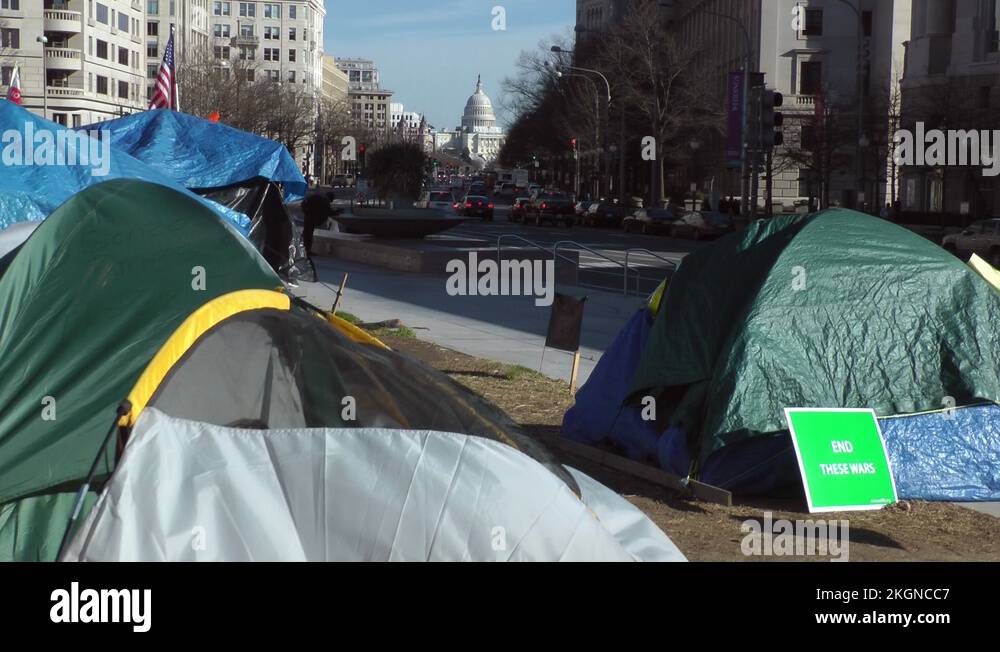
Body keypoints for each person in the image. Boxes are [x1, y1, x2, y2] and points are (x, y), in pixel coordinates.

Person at [301, 192, 332, 256]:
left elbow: (304, 203)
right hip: (310, 216)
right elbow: (328, 212)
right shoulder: (325, 201)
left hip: (309, 215)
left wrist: (306, 212)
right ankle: (307, 251)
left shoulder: (320, 198)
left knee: (307, 233)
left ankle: (306, 250)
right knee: (308, 234)